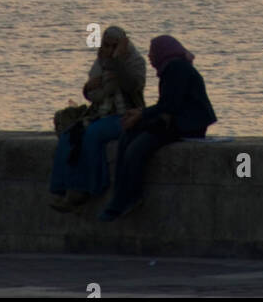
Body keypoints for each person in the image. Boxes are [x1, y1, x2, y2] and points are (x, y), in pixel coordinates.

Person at [99, 34, 217, 222]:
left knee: (138, 147)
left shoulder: (176, 68)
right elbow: (167, 104)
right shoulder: (171, 68)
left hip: (187, 125)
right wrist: (141, 113)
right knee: (127, 137)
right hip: (175, 121)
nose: (150, 56)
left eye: (153, 52)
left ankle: (131, 197)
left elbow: (171, 105)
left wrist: (141, 114)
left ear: (164, 52)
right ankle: (120, 196)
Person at [49, 26, 146, 211]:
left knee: (93, 134)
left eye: (113, 46)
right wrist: (87, 88)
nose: (108, 50)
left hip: (125, 115)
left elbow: (132, 86)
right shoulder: (100, 64)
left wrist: (117, 62)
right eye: (106, 45)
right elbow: (93, 95)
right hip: (99, 114)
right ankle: (62, 188)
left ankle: (88, 186)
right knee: (70, 134)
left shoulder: (135, 62)